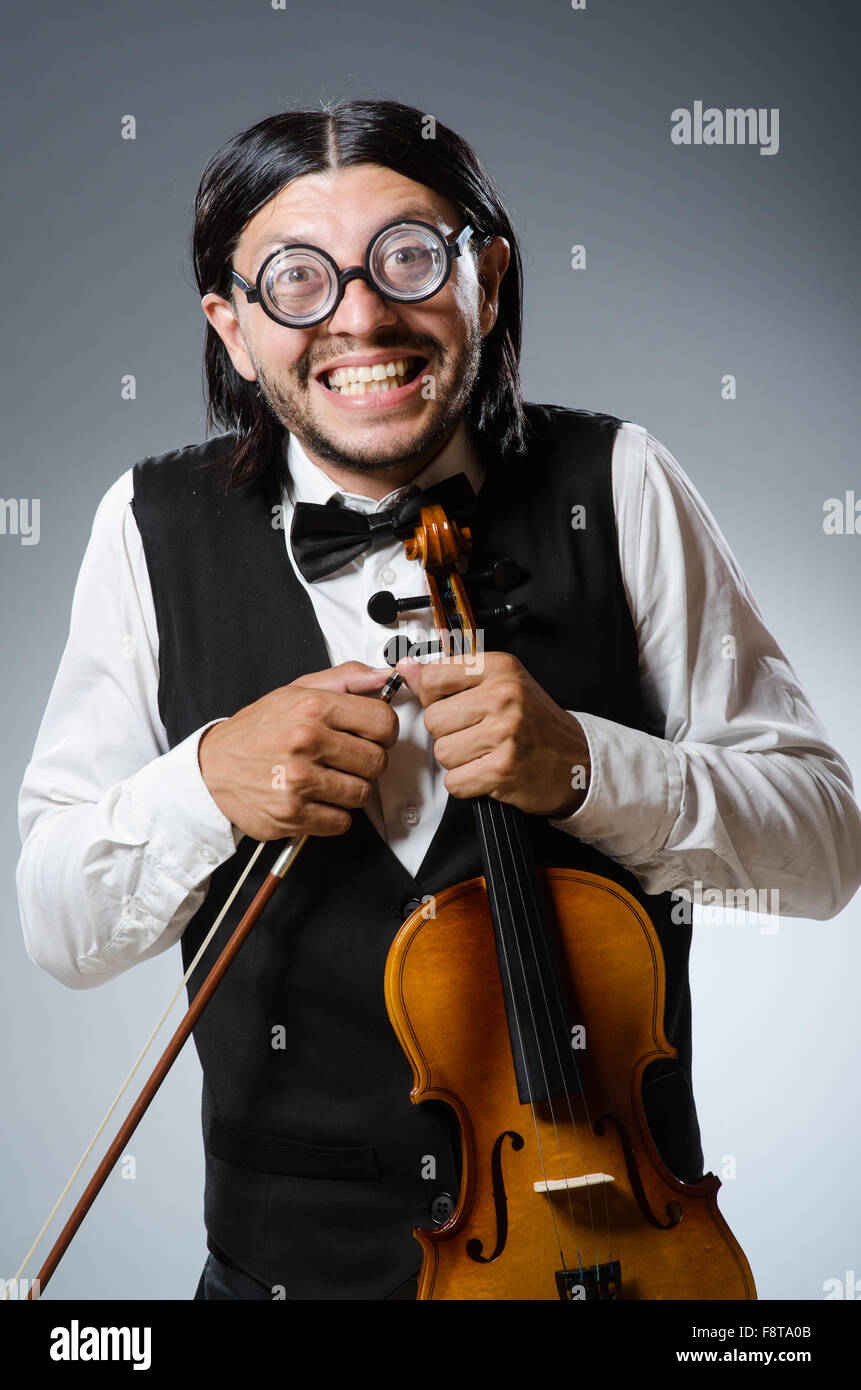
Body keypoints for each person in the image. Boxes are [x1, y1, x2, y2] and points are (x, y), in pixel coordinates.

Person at [16, 97, 861, 1302]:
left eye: (408, 256)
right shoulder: (147, 525)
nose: (360, 315)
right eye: (296, 279)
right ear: (234, 327)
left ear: (489, 276)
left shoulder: (618, 481)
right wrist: (204, 784)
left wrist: (585, 768)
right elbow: (58, 926)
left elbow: (826, 848)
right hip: (282, 1276)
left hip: (618, 1255)